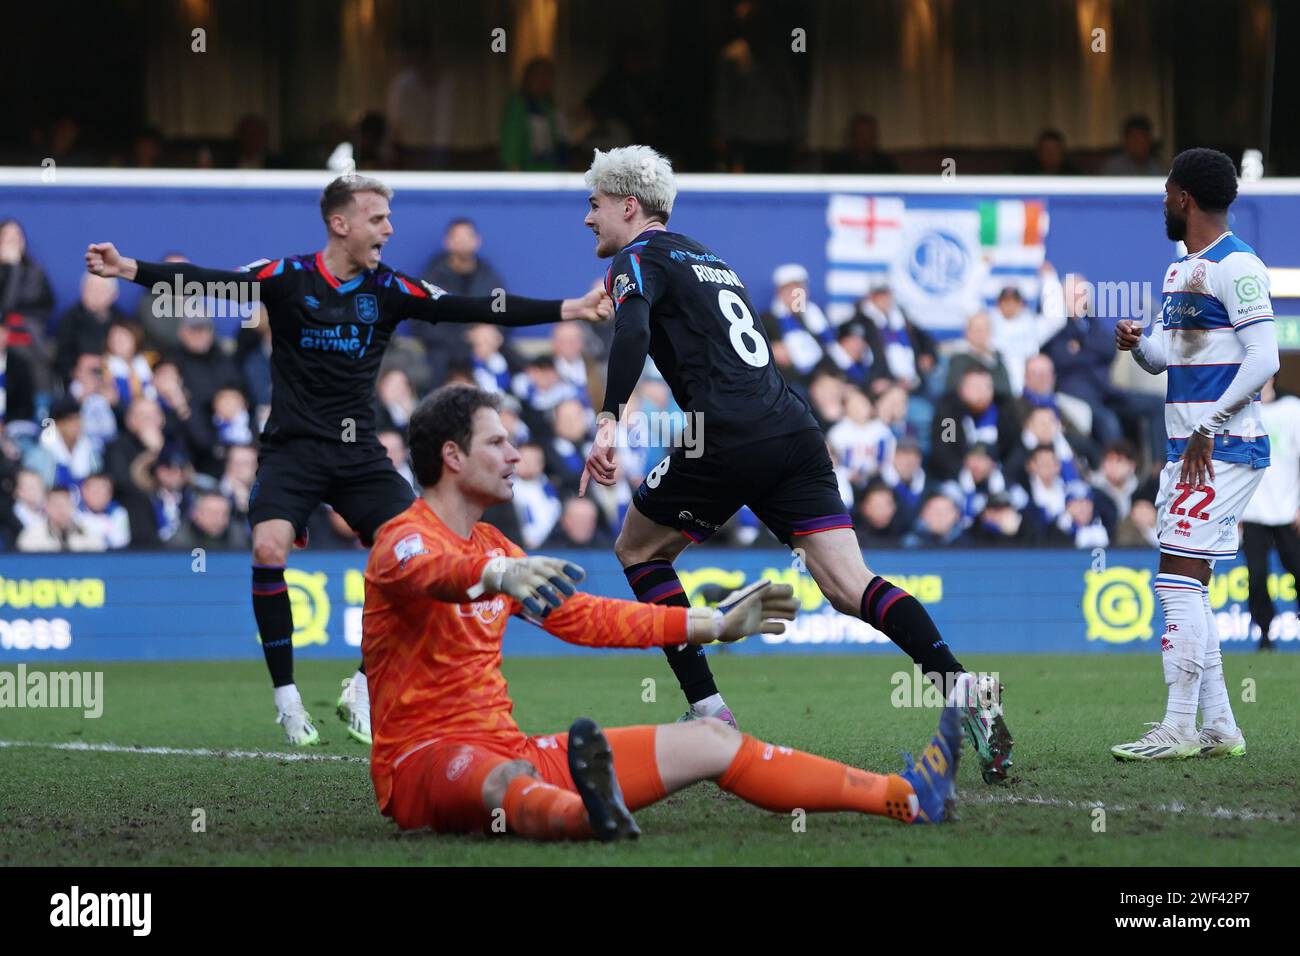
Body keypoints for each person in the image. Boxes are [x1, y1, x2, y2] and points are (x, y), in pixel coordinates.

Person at [85, 174, 611, 747]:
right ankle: (286, 700)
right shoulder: (286, 278)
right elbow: (210, 281)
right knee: (267, 548)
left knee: (418, 556)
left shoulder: (389, 289)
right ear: (341, 224)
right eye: (378, 218)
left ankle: (363, 683)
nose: (389, 228)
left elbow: (477, 306)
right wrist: (129, 268)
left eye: (389, 217)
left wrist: (572, 308)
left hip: (359, 454)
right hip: (291, 450)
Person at [576, 145, 1012, 783]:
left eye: (594, 204)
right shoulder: (714, 263)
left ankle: (710, 714)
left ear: (628, 205)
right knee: (849, 585)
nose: (588, 219)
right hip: (793, 428)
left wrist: (609, 417)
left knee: (639, 553)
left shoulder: (635, 258)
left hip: (723, 434)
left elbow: (633, 333)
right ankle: (963, 691)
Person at [362, 385, 961, 839]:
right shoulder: (404, 539)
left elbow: (588, 618)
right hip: (420, 764)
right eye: (497, 442)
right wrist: (496, 575)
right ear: (453, 456)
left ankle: (905, 796)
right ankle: (587, 814)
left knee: (709, 741)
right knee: (504, 783)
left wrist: (713, 624)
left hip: (510, 747)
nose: (517, 455)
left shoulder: (497, 548)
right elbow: (431, 572)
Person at [1112, 147, 1278, 761]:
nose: (1162, 200)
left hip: (1222, 446)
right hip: (1192, 447)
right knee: (1190, 581)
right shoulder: (1181, 269)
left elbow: (1266, 358)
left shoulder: (1238, 266)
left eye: (1166, 191)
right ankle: (1221, 728)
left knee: (1177, 578)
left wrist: (1210, 421)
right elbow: (1165, 359)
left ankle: (1179, 726)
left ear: (1184, 198)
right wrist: (1137, 345)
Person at [1240, 377, 1300, 651]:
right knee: (1257, 577)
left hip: (1288, 511)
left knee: (1298, 571)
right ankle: (1265, 634)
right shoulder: (1241, 412)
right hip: (1254, 512)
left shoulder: (1292, 409)